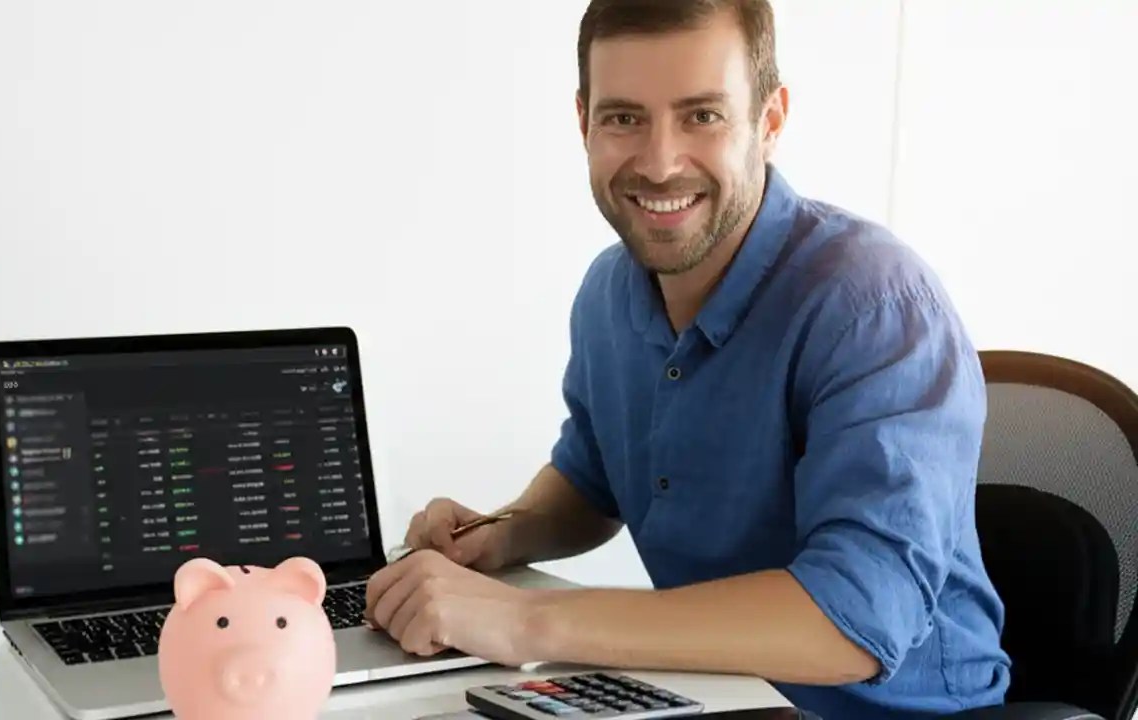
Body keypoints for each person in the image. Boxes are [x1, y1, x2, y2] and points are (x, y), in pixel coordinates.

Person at [364, 1, 1012, 718]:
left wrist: (522, 621)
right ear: (583, 123)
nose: (660, 161)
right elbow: (591, 481)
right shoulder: (608, 291)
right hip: (703, 698)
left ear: (769, 122)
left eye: (701, 115)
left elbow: (856, 619)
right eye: (624, 118)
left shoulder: (875, 303)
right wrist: (500, 534)